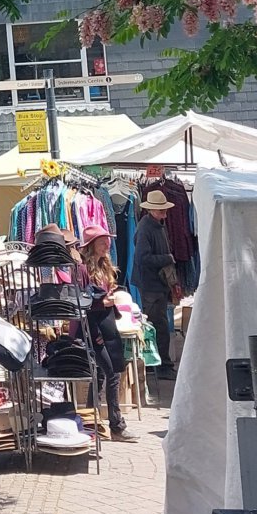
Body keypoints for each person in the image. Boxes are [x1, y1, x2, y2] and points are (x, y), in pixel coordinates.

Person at [80, 225, 134, 442]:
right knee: (110, 373)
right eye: (102, 241)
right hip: (94, 326)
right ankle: (116, 426)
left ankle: (91, 421)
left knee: (103, 373)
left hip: (107, 324)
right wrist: (102, 302)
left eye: (107, 240)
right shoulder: (83, 269)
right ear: (92, 244)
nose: (107, 244)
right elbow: (81, 301)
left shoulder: (104, 265)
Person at [133, 189, 177, 377]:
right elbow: (143, 258)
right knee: (156, 326)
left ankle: (159, 364)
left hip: (156, 284)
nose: (164, 213)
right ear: (151, 210)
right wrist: (167, 258)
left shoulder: (155, 225)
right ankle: (160, 366)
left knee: (158, 324)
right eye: (161, 210)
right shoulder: (146, 228)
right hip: (151, 285)